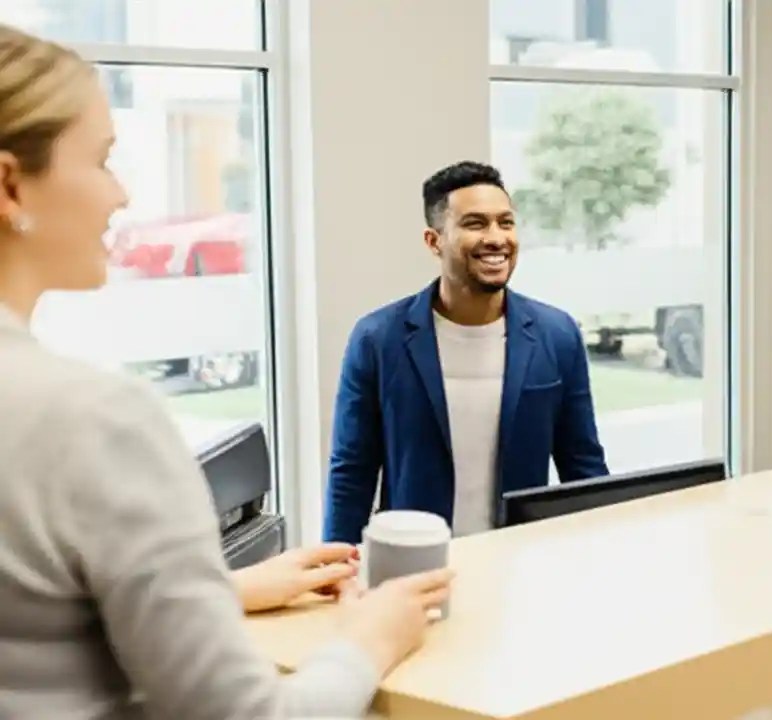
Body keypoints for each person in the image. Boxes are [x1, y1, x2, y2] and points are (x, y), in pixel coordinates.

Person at [0, 24, 452, 719]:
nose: (119, 195)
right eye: (101, 160)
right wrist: (369, 639)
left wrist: (217, 589)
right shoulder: (88, 420)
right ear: (9, 184)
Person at [323, 161, 609, 543]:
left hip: (520, 563)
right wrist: (335, 573)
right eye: (475, 224)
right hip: (414, 566)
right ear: (434, 240)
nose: (496, 238)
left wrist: (608, 552)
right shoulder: (377, 339)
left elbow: (584, 469)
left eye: (505, 222)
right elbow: (352, 473)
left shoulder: (557, 335)